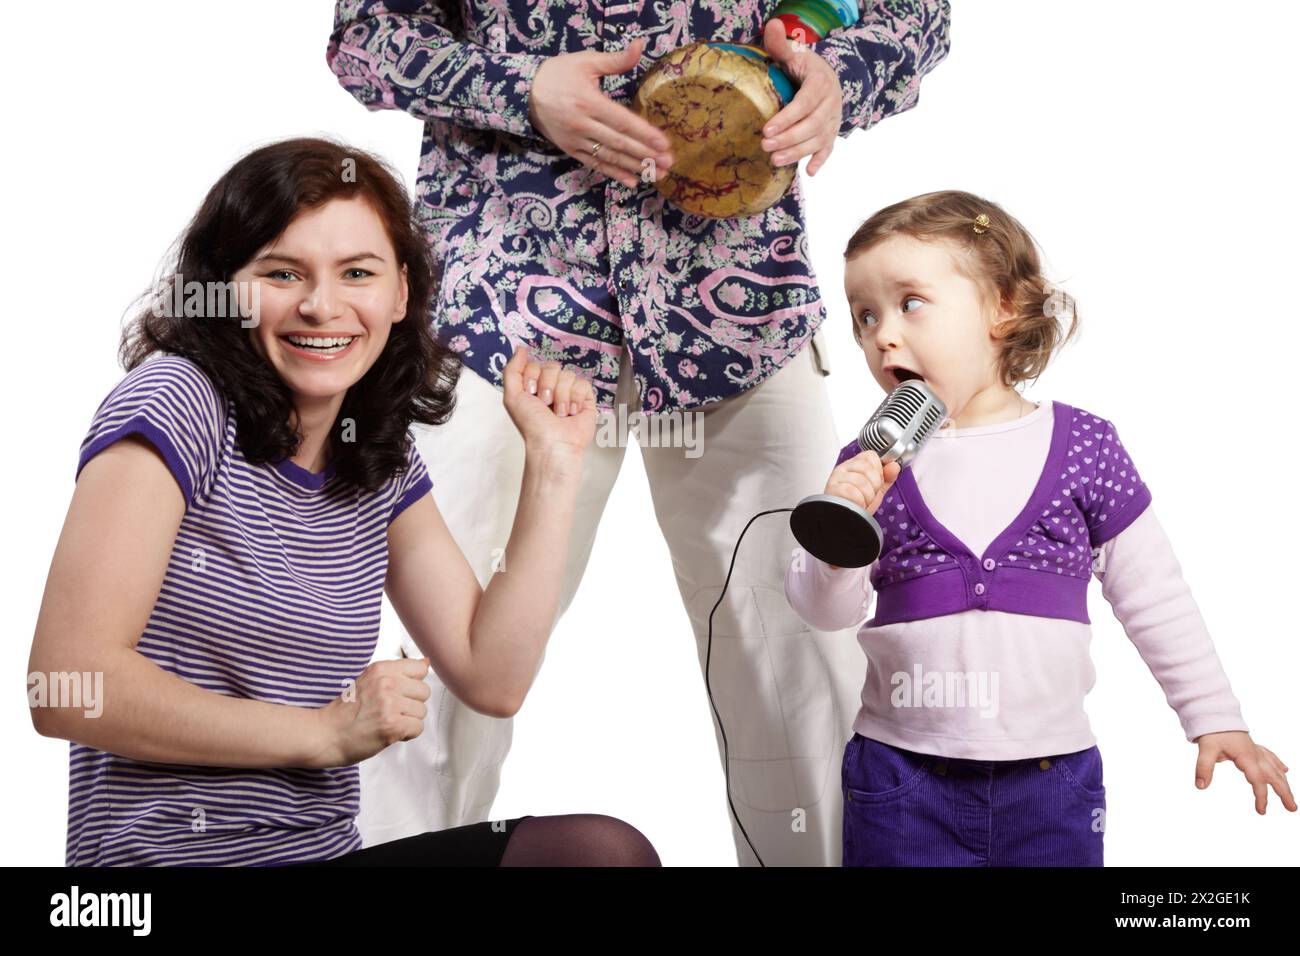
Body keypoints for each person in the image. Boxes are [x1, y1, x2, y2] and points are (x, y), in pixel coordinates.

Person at [326, 0, 952, 867]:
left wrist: (843, 76)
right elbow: (366, 35)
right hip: (498, 315)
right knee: (417, 681)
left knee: (810, 666)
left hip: (740, 310)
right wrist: (521, 90)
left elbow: (910, 10)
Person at [28, 137, 659, 867]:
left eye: (356, 272)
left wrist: (554, 464)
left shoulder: (373, 453)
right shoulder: (178, 401)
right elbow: (69, 685)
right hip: (161, 865)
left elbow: (493, 676)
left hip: (319, 857)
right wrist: (324, 732)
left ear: (399, 293)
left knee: (598, 856)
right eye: (282, 273)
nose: (321, 306)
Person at [784, 189, 1296, 866]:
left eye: (910, 303)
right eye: (863, 317)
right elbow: (825, 613)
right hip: (901, 777)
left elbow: (1154, 594)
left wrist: (1214, 716)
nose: (883, 334)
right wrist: (841, 537)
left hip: (1050, 782)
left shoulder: (1084, 447)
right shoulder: (866, 466)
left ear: (1004, 308)